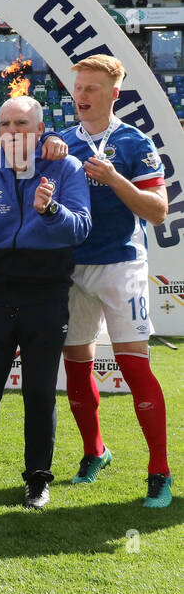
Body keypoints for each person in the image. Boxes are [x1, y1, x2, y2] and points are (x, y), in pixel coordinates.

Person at [0, 96, 92, 509]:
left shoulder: (65, 168)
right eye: (5, 124)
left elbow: (80, 229)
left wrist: (51, 210)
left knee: (39, 392)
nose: (12, 132)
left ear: (40, 129)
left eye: (22, 124)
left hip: (45, 292)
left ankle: (37, 479)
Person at [58, 55, 172, 507]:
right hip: (71, 265)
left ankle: (159, 470)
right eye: (78, 88)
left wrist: (114, 178)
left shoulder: (134, 141)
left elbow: (158, 210)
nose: (81, 97)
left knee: (134, 366)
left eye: (91, 90)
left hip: (120, 263)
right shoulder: (62, 141)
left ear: (113, 94)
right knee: (76, 363)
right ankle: (94, 452)